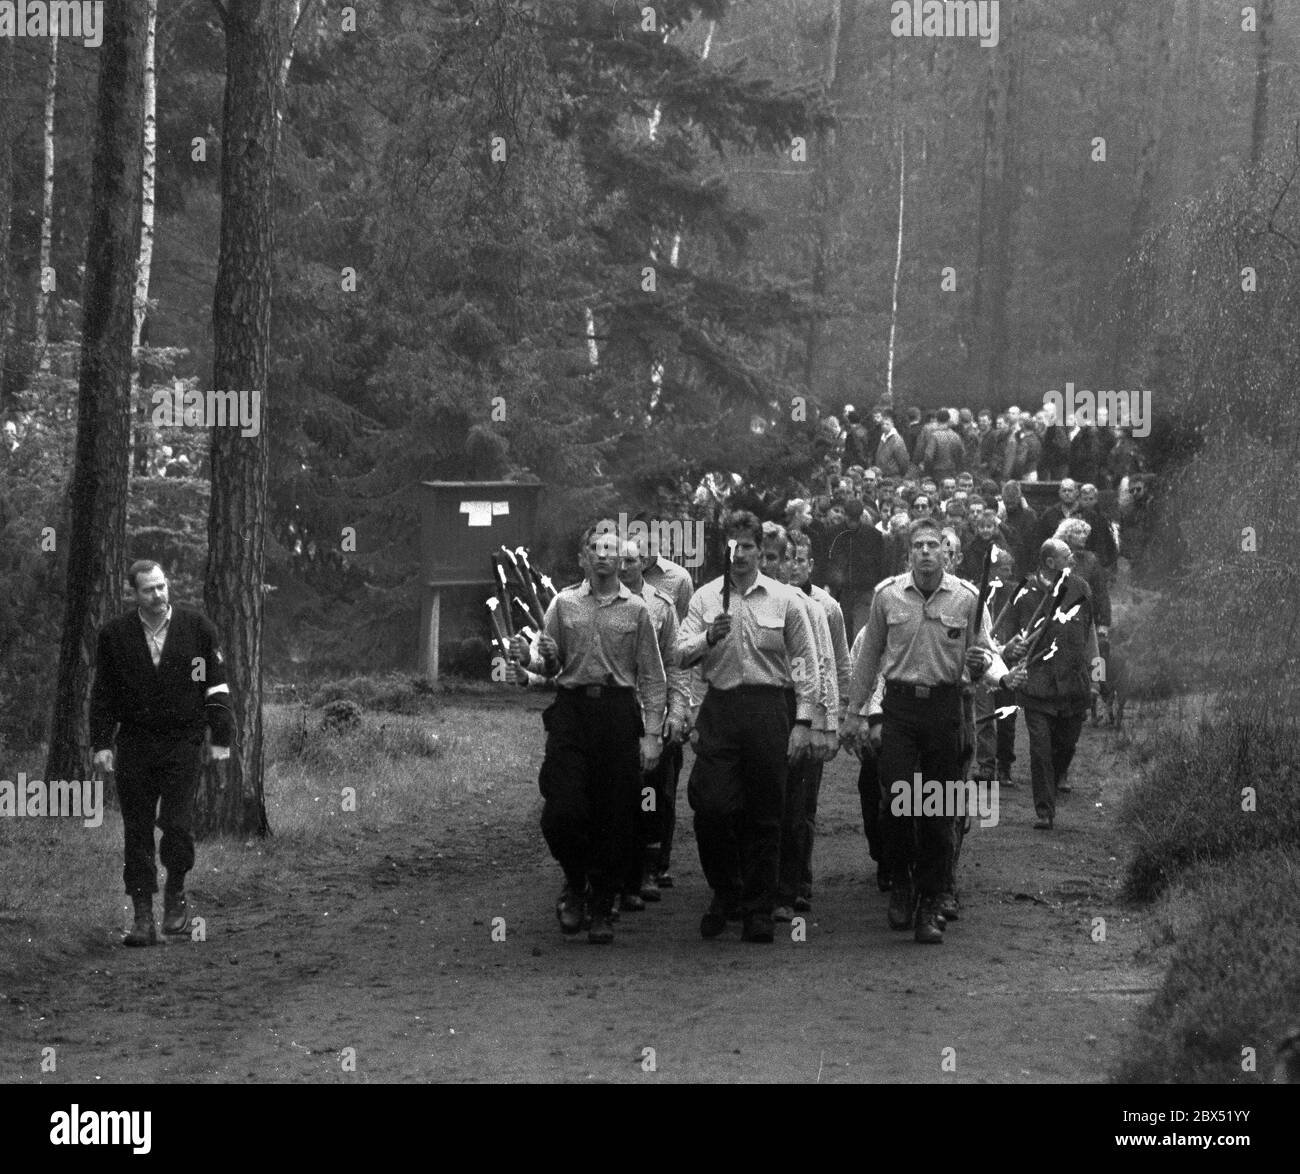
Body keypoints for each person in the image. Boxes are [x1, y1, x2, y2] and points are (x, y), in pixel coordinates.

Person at [841, 518, 1004, 944]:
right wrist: (855, 712)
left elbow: (984, 653)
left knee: (938, 811)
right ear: (908, 553)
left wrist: (979, 664)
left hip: (945, 711)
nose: (927, 552)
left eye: (934, 545)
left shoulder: (968, 599)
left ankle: (930, 902)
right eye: (919, 545)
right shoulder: (887, 595)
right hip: (899, 709)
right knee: (895, 799)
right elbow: (868, 656)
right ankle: (901, 880)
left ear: (945, 553)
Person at [677, 511, 819, 943]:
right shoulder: (705, 598)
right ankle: (726, 892)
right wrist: (708, 639)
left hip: (768, 709)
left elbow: (806, 666)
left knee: (766, 812)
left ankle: (758, 907)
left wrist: (803, 723)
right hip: (720, 709)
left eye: (748, 547)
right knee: (712, 807)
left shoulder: (784, 599)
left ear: (760, 551)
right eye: (731, 546)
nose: (738, 555)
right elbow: (679, 653)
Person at [523, 526, 667, 944]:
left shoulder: (638, 610)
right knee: (561, 811)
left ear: (620, 556)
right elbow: (547, 665)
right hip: (571, 713)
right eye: (595, 548)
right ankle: (575, 880)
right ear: (584, 556)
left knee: (615, 814)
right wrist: (542, 658)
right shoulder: (563, 604)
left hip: (618, 714)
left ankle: (602, 903)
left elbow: (653, 677)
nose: (603, 555)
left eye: (611, 548)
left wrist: (652, 734)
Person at [90, 561, 234, 947]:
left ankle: (175, 898)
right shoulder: (115, 636)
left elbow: (214, 686)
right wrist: (101, 743)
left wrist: (221, 735)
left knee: (176, 823)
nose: (158, 595)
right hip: (135, 744)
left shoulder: (196, 630)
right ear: (134, 594)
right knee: (136, 829)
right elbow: (103, 692)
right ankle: (142, 918)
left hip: (182, 743)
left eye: (162, 586)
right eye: (148, 590)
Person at [997, 540, 1100, 830]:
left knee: (1065, 746)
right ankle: (1044, 809)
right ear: (1050, 563)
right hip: (1036, 686)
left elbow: (1090, 633)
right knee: (1041, 748)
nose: (1074, 562)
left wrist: (1098, 677)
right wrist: (1010, 651)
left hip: (1074, 685)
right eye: (1068, 557)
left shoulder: (1081, 588)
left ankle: (1052, 784)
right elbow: (1005, 637)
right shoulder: (1025, 592)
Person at [610, 539, 690, 908]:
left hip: (653, 714)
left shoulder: (662, 606)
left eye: (631, 560)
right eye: (619, 560)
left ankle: (649, 867)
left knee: (654, 794)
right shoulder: (604, 604)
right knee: (617, 794)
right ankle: (618, 872)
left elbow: (675, 664)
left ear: (643, 563)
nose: (624, 566)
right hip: (618, 712)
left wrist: (678, 713)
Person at [826, 498, 886, 641]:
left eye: (855, 519)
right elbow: (828, 561)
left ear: (861, 517)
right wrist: (830, 583)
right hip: (841, 592)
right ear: (845, 515)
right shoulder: (833, 533)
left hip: (864, 591)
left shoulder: (873, 535)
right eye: (850, 518)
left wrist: (876, 585)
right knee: (842, 634)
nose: (852, 523)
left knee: (860, 634)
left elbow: (880, 563)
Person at [875, 411, 910, 479]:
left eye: (887, 424)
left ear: (892, 424)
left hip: (893, 476)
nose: (884, 426)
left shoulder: (897, 440)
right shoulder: (882, 438)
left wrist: (901, 474)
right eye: (882, 424)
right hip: (882, 475)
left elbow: (903, 460)